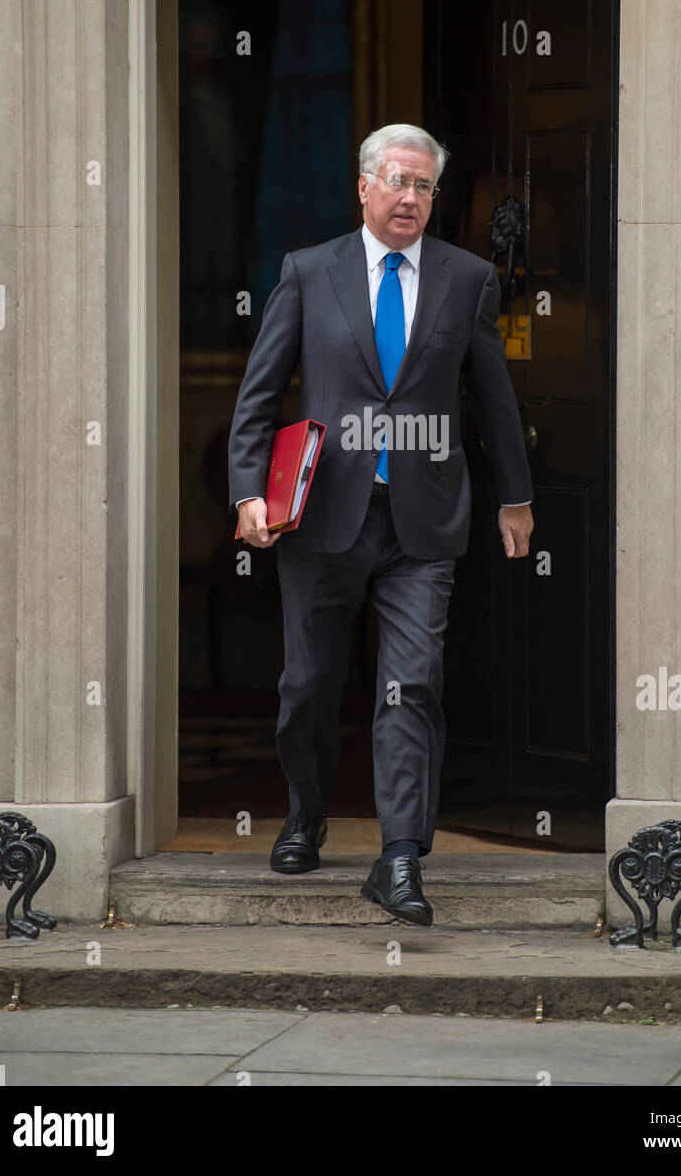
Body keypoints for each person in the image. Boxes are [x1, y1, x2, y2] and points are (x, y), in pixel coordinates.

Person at [228, 124, 533, 926]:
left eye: (424, 186)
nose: (409, 198)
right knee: (307, 688)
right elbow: (260, 394)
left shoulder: (465, 278)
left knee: (412, 686)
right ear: (362, 187)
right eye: (397, 181)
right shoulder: (308, 272)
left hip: (423, 523)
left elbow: (493, 396)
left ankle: (401, 857)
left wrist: (514, 493)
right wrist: (246, 493)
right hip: (323, 516)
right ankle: (306, 814)